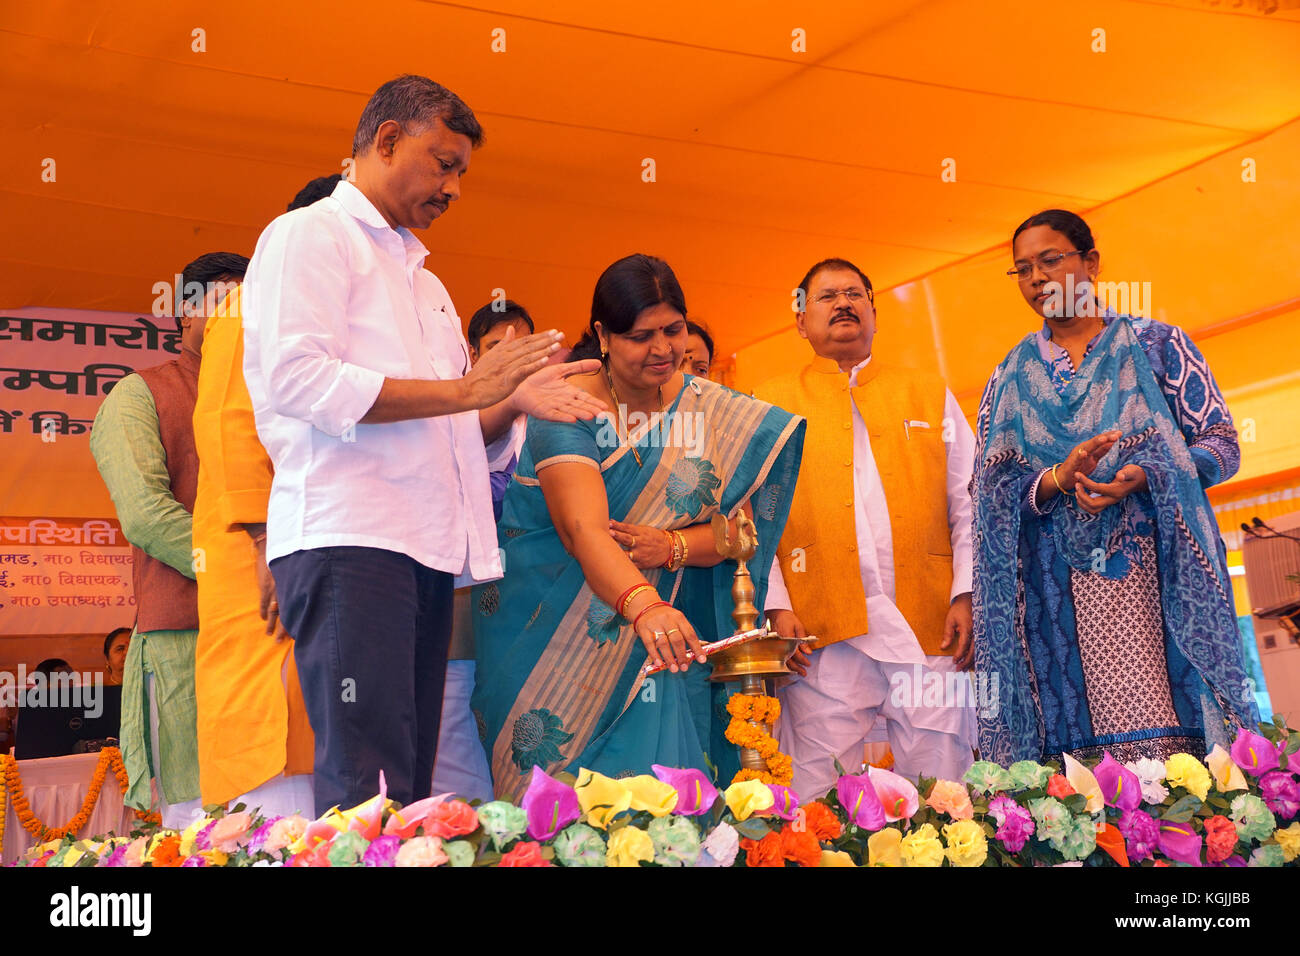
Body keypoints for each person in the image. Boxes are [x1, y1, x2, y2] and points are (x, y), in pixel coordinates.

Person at [243, 75, 605, 815]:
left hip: (424, 548)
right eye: (443, 163)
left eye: (462, 171)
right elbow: (297, 378)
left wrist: (509, 404)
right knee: (364, 781)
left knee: (406, 782)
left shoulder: (428, 285)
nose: (455, 188)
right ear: (385, 141)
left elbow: (444, 428)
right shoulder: (309, 234)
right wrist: (469, 392)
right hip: (352, 539)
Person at [473, 254, 805, 802]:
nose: (662, 349)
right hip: (553, 640)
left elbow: (742, 535)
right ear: (602, 334)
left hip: (667, 636)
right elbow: (584, 532)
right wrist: (645, 606)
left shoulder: (711, 410)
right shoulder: (568, 405)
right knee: (569, 817)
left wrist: (673, 545)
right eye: (639, 335)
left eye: (673, 330)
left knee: (662, 809)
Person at [972, 209, 1259, 765]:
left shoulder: (1158, 346)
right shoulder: (1008, 377)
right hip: (1053, 596)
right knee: (1077, 774)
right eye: (1023, 269)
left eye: (1050, 260)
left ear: (1091, 263)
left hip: (1159, 577)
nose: (1037, 278)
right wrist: (1058, 478)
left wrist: (1146, 475)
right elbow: (987, 492)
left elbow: (1222, 444)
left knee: (1180, 755)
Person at [755, 257, 977, 797]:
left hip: (928, 623)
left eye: (854, 293)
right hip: (821, 629)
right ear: (801, 321)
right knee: (817, 790)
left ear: (875, 312)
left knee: (945, 788)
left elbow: (968, 501)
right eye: (826, 297)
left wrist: (967, 593)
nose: (843, 303)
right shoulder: (768, 403)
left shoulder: (928, 392)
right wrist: (777, 604)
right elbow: (749, 517)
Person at [192, 184, 341, 816]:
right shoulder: (248, 307)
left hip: (321, 549)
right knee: (272, 763)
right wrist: (266, 547)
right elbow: (230, 428)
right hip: (265, 557)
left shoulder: (338, 314)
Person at [91, 251, 247, 828]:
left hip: (273, 631)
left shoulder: (273, 398)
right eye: (226, 304)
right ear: (185, 315)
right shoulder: (138, 395)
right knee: (201, 819)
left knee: (281, 814)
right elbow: (148, 516)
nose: (240, 319)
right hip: (187, 634)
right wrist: (250, 569)